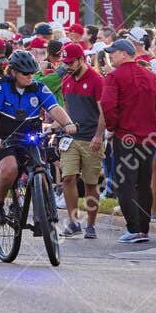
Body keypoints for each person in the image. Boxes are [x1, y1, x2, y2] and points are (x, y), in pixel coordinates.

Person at [0, 49, 77, 230]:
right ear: (13, 72)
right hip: (5, 137)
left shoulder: (38, 87)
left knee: (41, 170)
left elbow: (54, 107)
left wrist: (68, 123)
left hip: (29, 135)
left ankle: (44, 215)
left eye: (32, 73)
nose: (30, 77)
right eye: (25, 73)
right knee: (10, 169)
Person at [97, 38, 156, 244]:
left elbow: (107, 105)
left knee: (124, 182)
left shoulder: (114, 77)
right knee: (143, 182)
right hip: (149, 135)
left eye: (113, 53)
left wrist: (113, 127)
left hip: (125, 135)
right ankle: (143, 229)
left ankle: (134, 228)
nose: (110, 56)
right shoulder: (151, 76)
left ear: (124, 53)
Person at [56, 41, 106, 239]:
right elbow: (66, 107)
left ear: (81, 60)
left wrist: (98, 136)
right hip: (71, 138)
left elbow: (103, 113)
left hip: (90, 138)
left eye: (70, 62)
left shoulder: (96, 80)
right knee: (68, 178)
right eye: (65, 62)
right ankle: (73, 221)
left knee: (90, 183)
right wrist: (61, 126)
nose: (67, 66)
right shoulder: (66, 80)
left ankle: (91, 225)